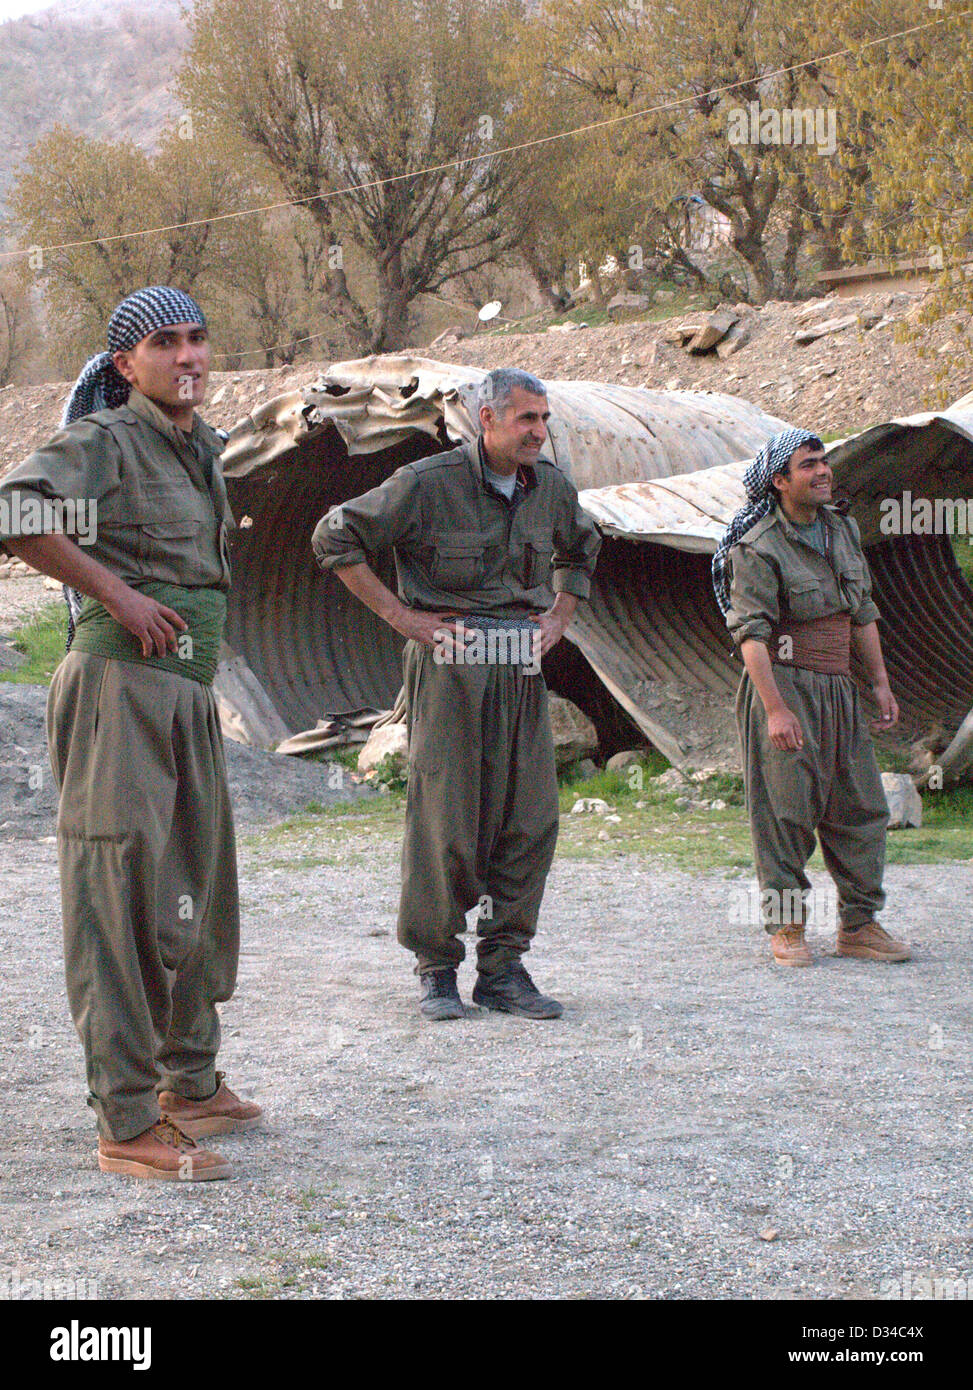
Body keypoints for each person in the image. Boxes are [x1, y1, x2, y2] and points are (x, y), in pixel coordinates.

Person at [0, 286, 261, 1180]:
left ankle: (188, 1082)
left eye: (197, 338)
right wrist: (114, 592)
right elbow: (16, 512)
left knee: (193, 885)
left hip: (183, 690)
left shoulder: (200, 449)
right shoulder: (106, 440)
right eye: (165, 343)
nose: (188, 356)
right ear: (125, 364)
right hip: (121, 688)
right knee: (118, 897)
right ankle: (124, 1123)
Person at [313, 367, 602, 1018]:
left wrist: (558, 619)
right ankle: (436, 968)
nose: (538, 431)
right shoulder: (426, 484)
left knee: (529, 821)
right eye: (526, 418)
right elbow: (334, 539)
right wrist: (402, 618)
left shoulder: (549, 488)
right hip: (449, 662)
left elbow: (581, 551)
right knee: (447, 822)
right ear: (487, 420)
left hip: (520, 668)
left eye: (544, 419)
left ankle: (503, 970)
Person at [712, 426, 911, 967]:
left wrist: (879, 682)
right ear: (779, 481)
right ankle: (788, 927)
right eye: (808, 465)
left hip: (838, 687)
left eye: (823, 461)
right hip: (785, 683)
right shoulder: (759, 546)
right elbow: (751, 635)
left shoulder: (841, 531)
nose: (823, 471)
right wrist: (775, 708)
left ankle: (860, 924)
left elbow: (861, 612)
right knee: (785, 811)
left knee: (861, 807)